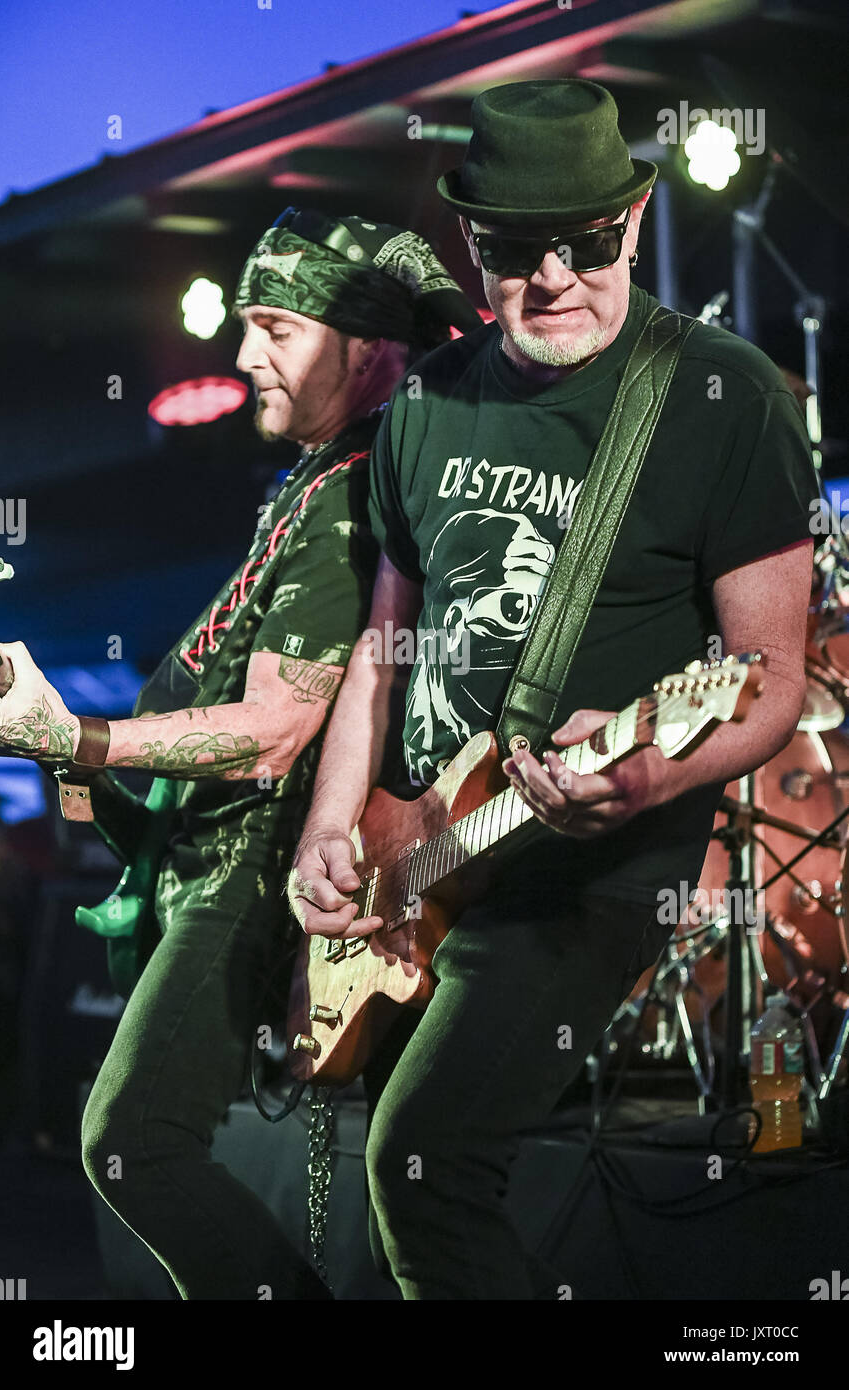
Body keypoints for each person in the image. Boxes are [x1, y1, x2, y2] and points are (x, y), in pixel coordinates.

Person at [286, 80, 820, 1300]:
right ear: (472, 243)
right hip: (421, 848)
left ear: (632, 221)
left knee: (422, 1162)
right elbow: (384, 644)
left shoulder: (719, 398)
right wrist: (336, 822)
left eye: (585, 243)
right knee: (404, 1190)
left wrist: (651, 775)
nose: (554, 278)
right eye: (517, 250)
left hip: (589, 863)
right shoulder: (426, 399)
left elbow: (772, 677)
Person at [0, 205, 481, 1299]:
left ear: (369, 350)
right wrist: (50, 738)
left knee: (131, 1140)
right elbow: (173, 736)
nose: (243, 353)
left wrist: (79, 734)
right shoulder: (300, 488)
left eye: (276, 327)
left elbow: (271, 731)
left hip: (266, 866)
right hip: (229, 862)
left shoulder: (356, 486)